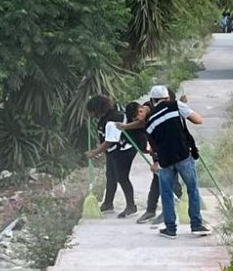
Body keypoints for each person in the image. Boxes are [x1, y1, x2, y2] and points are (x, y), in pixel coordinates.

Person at [144, 85, 210, 239]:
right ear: (167, 98)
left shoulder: (150, 122)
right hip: (183, 155)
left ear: (152, 101)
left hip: (165, 160)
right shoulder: (176, 105)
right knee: (192, 188)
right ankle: (196, 225)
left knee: (166, 193)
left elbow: (153, 147)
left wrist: (156, 162)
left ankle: (171, 229)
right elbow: (198, 120)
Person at [130, 100, 183, 225]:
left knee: (171, 181)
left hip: (172, 151)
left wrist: (157, 162)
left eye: (138, 117)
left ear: (141, 111)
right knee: (157, 180)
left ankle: (169, 212)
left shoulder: (156, 115)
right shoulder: (148, 112)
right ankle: (151, 210)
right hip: (160, 151)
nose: (139, 121)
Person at [85, 95, 137, 218]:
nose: (92, 115)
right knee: (110, 175)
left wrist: (95, 152)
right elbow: (104, 137)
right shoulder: (104, 118)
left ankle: (131, 206)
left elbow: (110, 141)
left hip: (124, 150)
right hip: (113, 151)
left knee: (122, 177)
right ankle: (108, 203)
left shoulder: (114, 118)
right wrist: (100, 151)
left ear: (98, 109)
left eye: (92, 112)